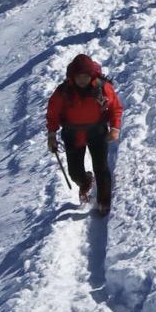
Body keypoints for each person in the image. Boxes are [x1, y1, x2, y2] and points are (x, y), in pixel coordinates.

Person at [47, 53, 122, 214]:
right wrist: (51, 134)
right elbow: (52, 113)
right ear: (72, 77)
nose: (82, 80)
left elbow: (115, 108)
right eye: (78, 77)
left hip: (97, 131)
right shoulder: (63, 91)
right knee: (74, 172)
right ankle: (86, 181)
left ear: (91, 75)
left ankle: (104, 204)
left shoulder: (102, 88)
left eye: (85, 76)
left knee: (101, 167)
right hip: (72, 134)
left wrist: (115, 128)